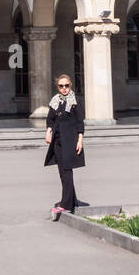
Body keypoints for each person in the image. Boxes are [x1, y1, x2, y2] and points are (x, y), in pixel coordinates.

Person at [44, 74, 88, 218]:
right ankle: (72, 200)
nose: (64, 89)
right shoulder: (55, 101)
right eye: (61, 86)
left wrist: (80, 139)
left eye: (66, 86)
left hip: (70, 141)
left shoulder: (75, 101)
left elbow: (79, 122)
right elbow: (50, 119)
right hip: (57, 141)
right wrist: (48, 132)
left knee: (67, 172)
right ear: (58, 87)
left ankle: (65, 204)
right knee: (63, 172)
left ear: (70, 85)